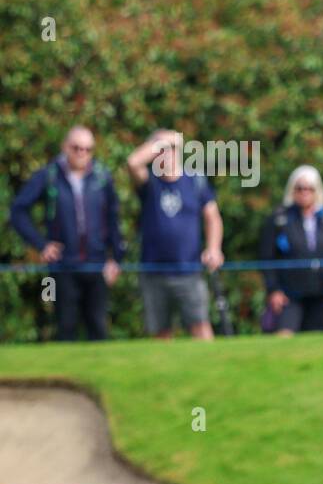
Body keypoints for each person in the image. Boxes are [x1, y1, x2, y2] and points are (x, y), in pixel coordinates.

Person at [9, 126, 123, 340]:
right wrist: (41, 244)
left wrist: (115, 258)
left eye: (88, 149)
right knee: (64, 327)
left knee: (98, 328)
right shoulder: (48, 175)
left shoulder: (101, 177)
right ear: (65, 147)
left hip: (96, 265)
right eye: (76, 148)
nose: (82, 153)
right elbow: (18, 211)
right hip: (61, 267)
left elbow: (113, 218)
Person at [126, 130, 224, 339]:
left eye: (170, 149)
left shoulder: (195, 181)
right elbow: (133, 162)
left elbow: (212, 217)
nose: (166, 153)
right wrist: (162, 141)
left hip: (189, 270)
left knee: (200, 326)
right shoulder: (149, 183)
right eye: (160, 150)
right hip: (154, 271)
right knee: (161, 333)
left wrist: (213, 248)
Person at [257, 166, 323, 335]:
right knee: (284, 336)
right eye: (300, 188)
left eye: (310, 188)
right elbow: (266, 257)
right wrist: (273, 290)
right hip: (288, 295)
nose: (304, 192)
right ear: (292, 190)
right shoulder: (279, 219)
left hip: (319, 293)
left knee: (315, 341)